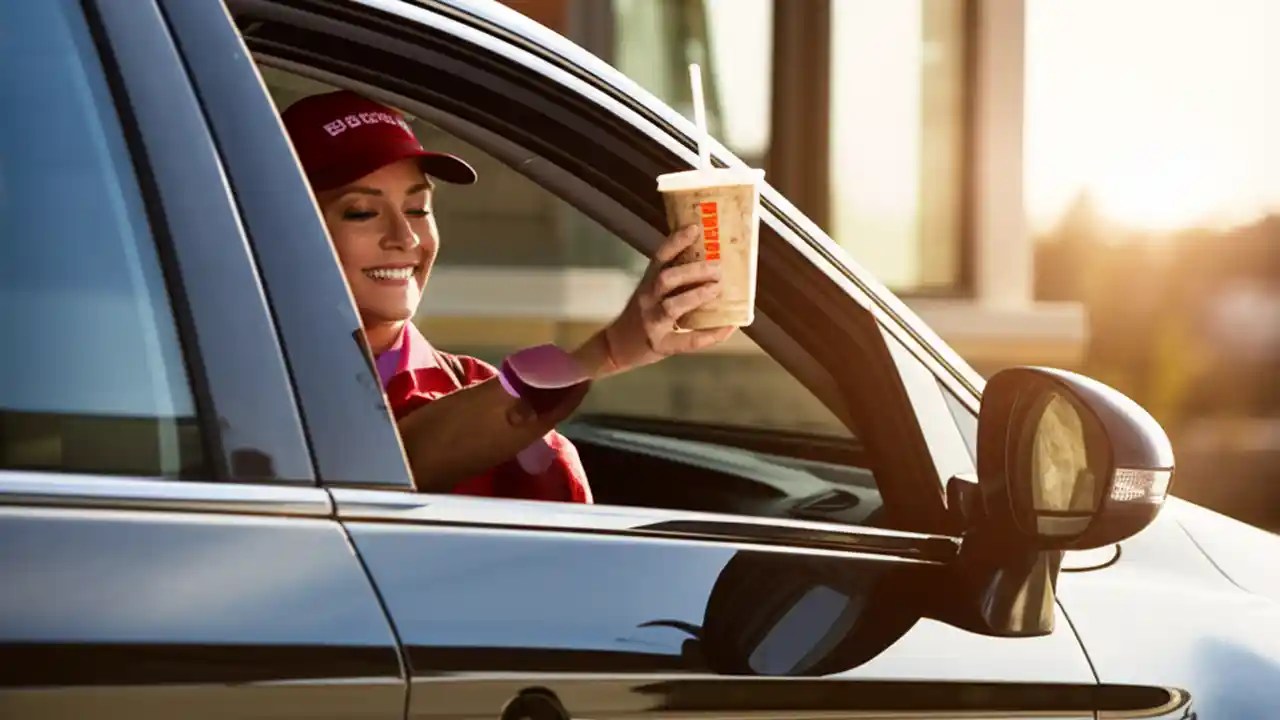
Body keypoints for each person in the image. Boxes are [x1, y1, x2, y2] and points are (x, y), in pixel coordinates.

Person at [282, 90, 734, 503]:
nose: (406, 237)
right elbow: (378, 470)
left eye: (419, 209)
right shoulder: (232, 387)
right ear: (281, 229)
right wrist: (605, 352)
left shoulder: (521, 437)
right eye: (361, 212)